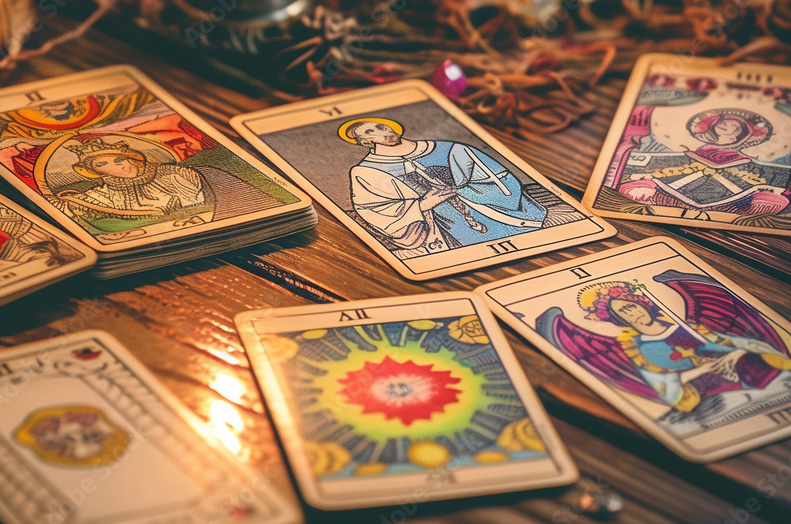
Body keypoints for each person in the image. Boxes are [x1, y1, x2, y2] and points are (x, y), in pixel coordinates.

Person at [542, 278, 791, 414]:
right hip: (709, 393)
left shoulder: (691, 326)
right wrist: (703, 371)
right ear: (617, 320)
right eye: (623, 314)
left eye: (632, 306)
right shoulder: (636, 350)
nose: (633, 314)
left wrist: (738, 353)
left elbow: (739, 343)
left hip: (752, 371)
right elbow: (669, 391)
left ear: (644, 304)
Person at [339, 117, 547, 258]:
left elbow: (498, 177)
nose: (381, 131)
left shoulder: (448, 148)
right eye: (370, 131)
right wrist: (423, 205)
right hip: (441, 228)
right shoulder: (365, 172)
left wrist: (463, 189)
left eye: (382, 126)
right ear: (364, 141)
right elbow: (372, 208)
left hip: (487, 208)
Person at [615, 108, 791, 215]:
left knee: (771, 200)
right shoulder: (675, 157)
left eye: (735, 129)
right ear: (709, 128)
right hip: (662, 210)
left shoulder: (757, 167)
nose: (727, 129)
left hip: (732, 221)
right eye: (723, 125)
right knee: (638, 189)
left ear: (742, 137)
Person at [57, 136, 213, 229]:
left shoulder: (173, 177)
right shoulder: (103, 192)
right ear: (96, 171)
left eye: (118, 160)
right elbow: (80, 203)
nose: (115, 167)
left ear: (129, 159)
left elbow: (198, 207)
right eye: (101, 164)